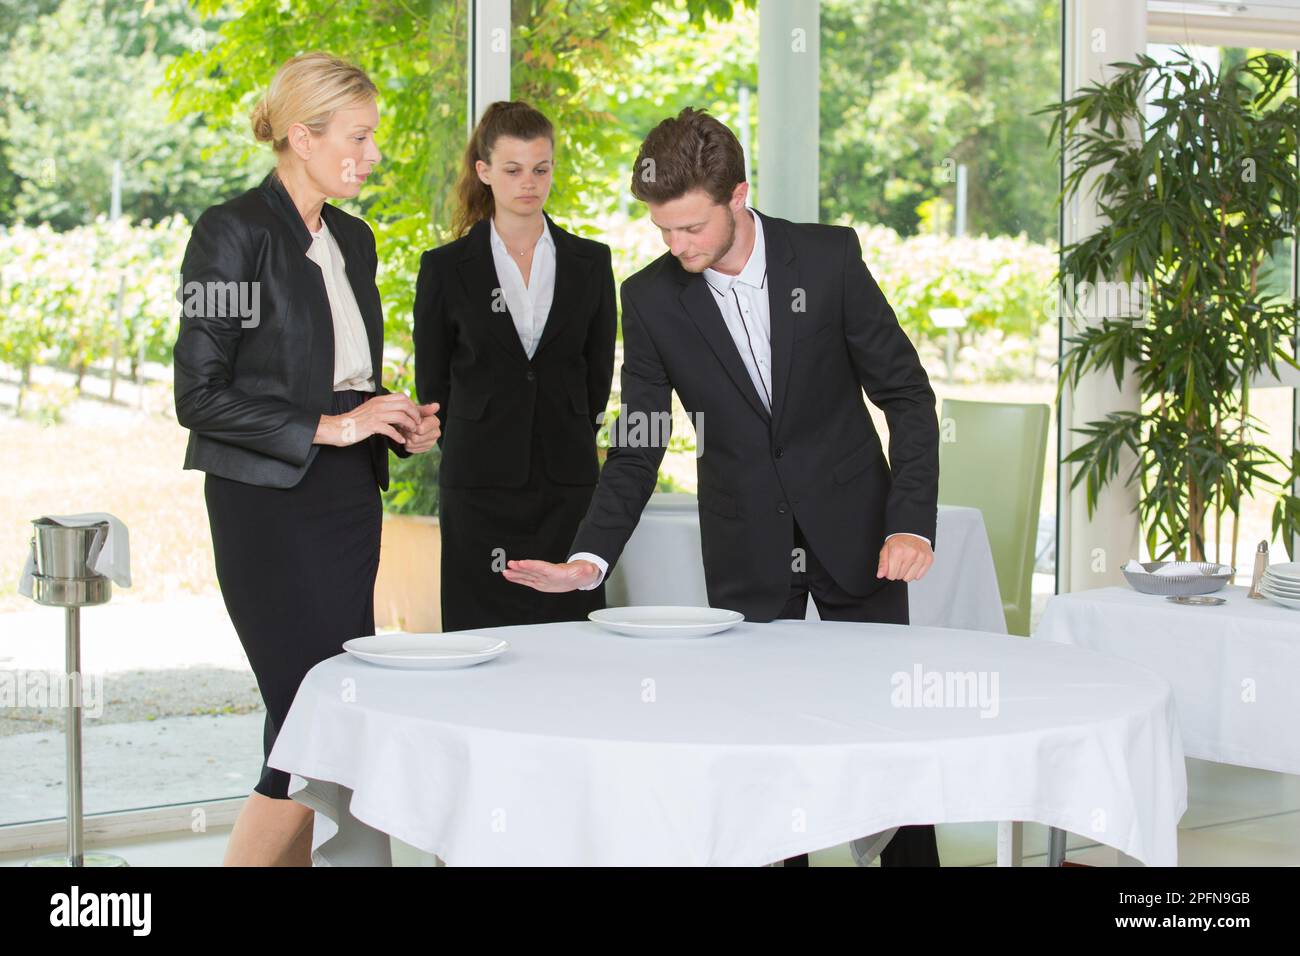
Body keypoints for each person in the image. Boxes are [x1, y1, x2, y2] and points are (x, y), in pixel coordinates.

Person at [503, 107, 942, 866]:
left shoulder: (829, 260)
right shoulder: (650, 299)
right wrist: (591, 559)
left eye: (692, 228)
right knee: (760, 757)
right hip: (747, 546)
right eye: (664, 231)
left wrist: (910, 522)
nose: (678, 247)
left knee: (887, 745)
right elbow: (638, 442)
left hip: (859, 534)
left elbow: (905, 394)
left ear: (740, 195)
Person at [173, 52, 440, 866]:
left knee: (319, 717)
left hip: (346, 500)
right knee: (308, 722)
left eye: (373, 138)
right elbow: (199, 396)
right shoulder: (231, 232)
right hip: (268, 505)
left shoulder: (352, 240)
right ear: (301, 135)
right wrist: (334, 427)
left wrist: (391, 420)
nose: (373, 154)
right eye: (357, 138)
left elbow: (340, 372)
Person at [413, 101, 616, 631]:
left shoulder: (591, 262)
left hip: (567, 479)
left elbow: (597, 375)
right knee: (479, 627)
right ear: (484, 172)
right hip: (478, 480)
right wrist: (470, 440)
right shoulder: (444, 268)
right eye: (513, 169)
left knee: (570, 628)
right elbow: (433, 383)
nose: (530, 183)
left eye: (541, 169)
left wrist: (569, 431)